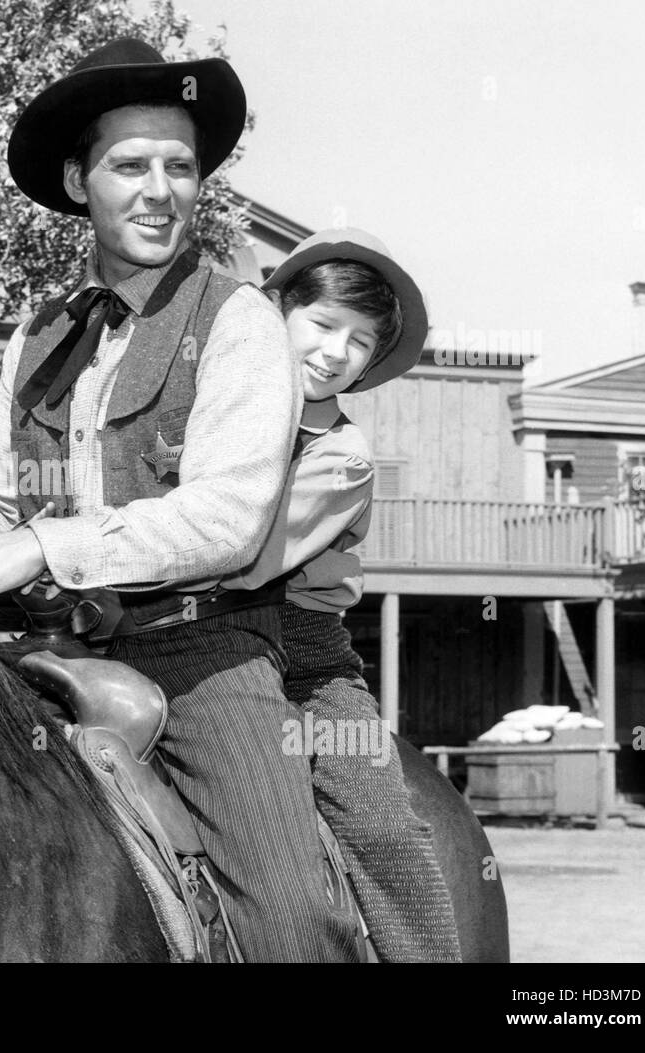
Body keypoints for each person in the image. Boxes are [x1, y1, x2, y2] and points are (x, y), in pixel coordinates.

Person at [0, 37, 359, 961]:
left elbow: (227, 520)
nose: (159, 189)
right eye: (129, 165)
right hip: (42, 649)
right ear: (79, 182)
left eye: (179, 167)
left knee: (290, 916)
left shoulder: (238, 320)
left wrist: (42, 546)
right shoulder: (35, 335)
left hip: (205, 654)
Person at [246, 227, 464, 961]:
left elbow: (242, 555)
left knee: (380, 826)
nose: (336, 351)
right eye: (322, 324)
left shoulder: (343, 456)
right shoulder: (212, 416)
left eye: (360, 341)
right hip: (167, 629)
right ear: (278, 313)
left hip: (304, 657)